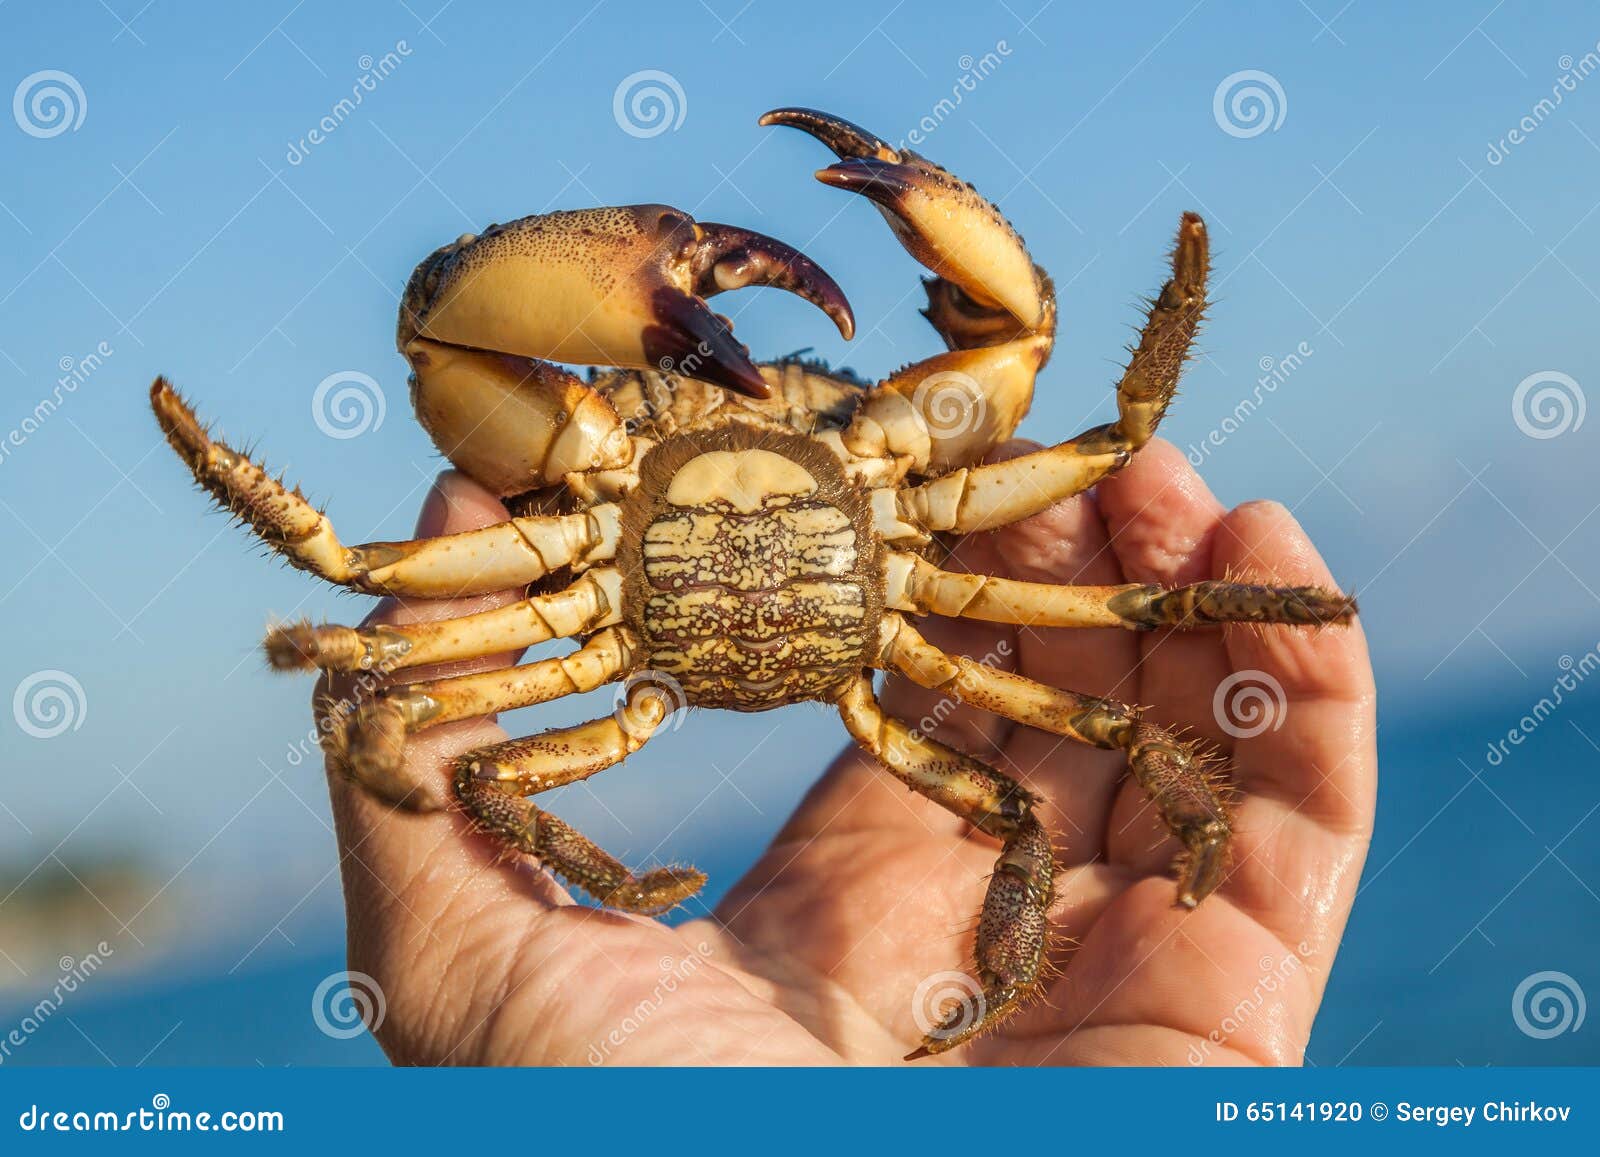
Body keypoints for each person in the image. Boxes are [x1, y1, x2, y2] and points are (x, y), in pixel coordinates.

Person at [321, 438, 1377, 1065]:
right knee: (465, 766)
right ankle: (616, 882)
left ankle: (1012, 981)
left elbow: (1122, 464)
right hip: (781, 644)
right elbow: (335, 575)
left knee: (1069, 764)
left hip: (834, 641)